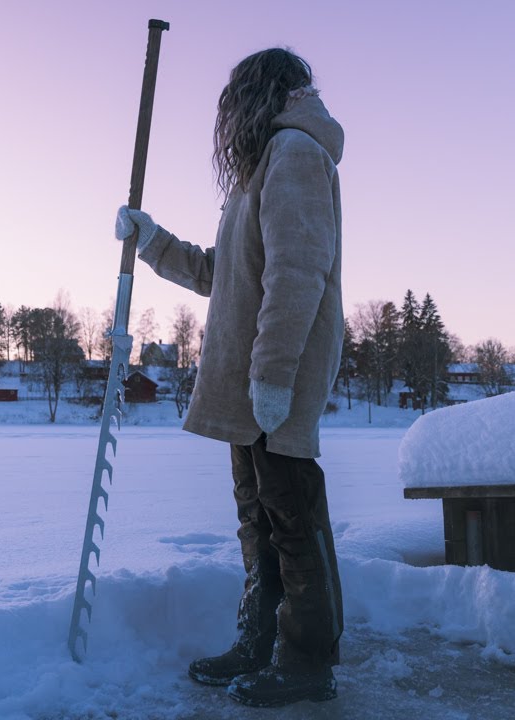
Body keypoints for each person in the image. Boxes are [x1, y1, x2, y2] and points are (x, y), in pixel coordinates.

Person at [114, 47, 345, 709]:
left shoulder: (297, 154)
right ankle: (260, 643)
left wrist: (273, 376)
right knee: (259, 519)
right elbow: (221, 273)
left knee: (292, 517)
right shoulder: (262, 166)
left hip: (277, 377)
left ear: (262, 94)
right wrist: (151, 240)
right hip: (250, 379)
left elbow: (299, 273)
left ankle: (306, 661)